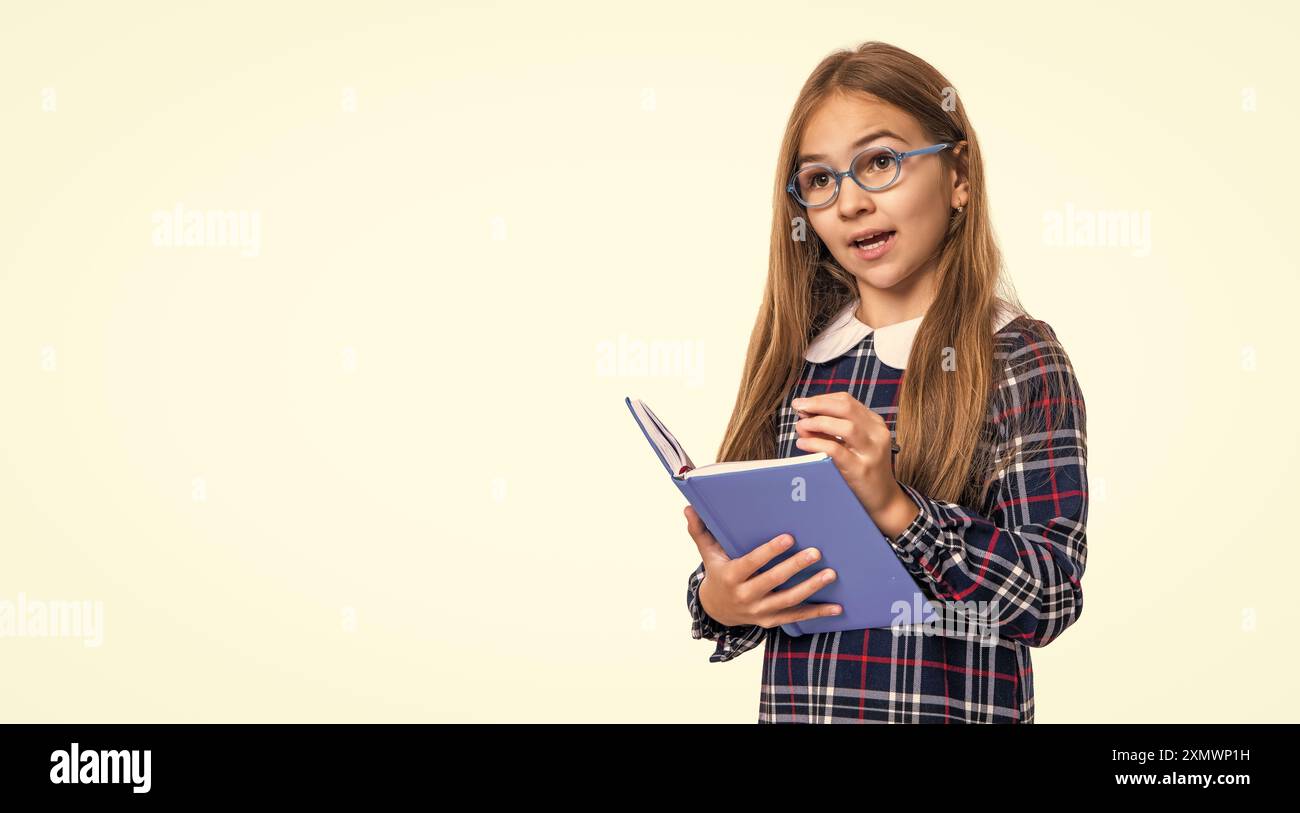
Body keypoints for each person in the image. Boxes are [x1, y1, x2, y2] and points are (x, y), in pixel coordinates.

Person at [684, 41, 1088, 724]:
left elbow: (1049, 597)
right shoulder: (800, 361)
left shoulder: (1017, 357)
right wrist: (722, 598)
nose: (849, 203)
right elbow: (765, 569)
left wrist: (897, 507)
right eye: (820, 180)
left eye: (880, 162)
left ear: (958, 174)